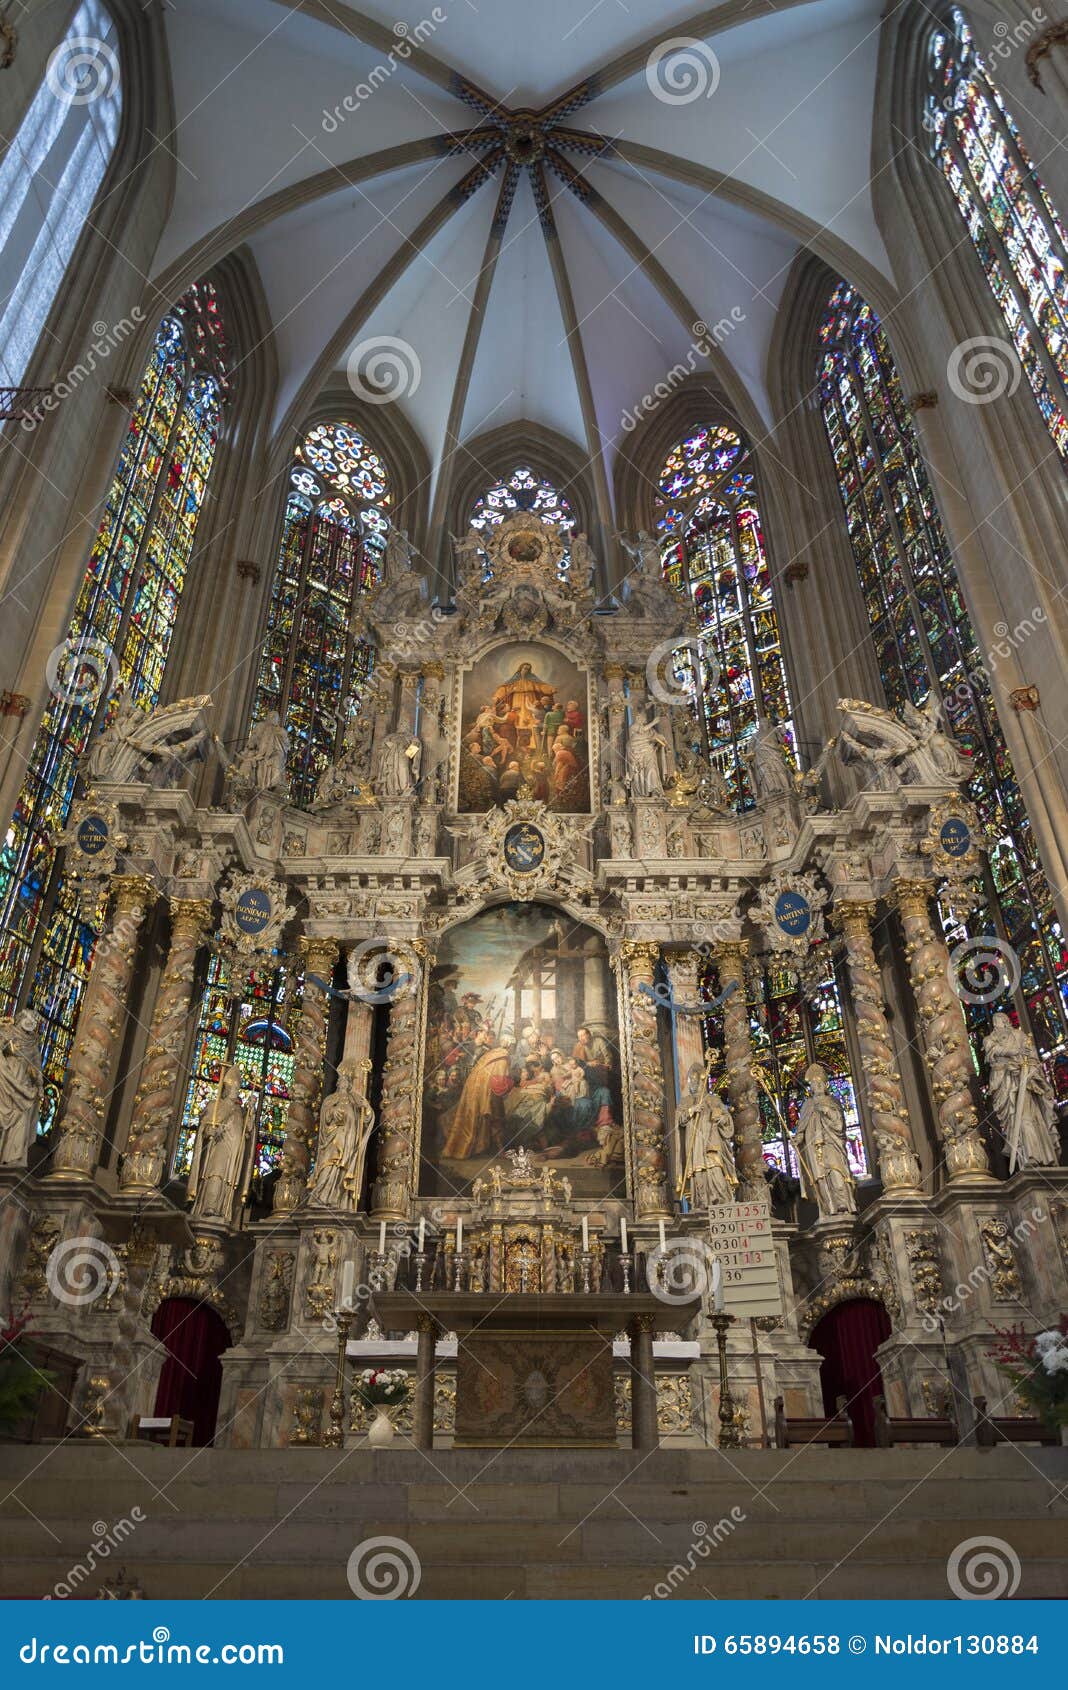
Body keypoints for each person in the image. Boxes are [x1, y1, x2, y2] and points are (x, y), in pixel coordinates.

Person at [983, 1012, 1061, 1170]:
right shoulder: (990, 1039)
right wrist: (1012, 1054)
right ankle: (1026, 1156)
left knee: (1030, 1118)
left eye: (1001, 1020)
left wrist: (1029, 1070)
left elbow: (1032, 1058)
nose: (998, 1024)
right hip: (1006, 1085)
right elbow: (992, 1052)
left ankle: (1042, 1156)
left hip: (1025, 1083)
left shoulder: (1019, 1035)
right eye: (995, 1022)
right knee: (1015, 1121)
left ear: (1007, 1021)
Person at [795, 1063, 856, 1218]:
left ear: (826, 1085)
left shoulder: (833, 1102)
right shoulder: (808, 1105)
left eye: (821, 1083)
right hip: (813, 1147)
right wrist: (799, 1138)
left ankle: (843, 1204)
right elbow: (802, 1127)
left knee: (836, 1172)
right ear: (811, 1088)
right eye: (815, 1084)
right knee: (821, 1177)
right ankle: (828, 1208)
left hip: (831, 1143)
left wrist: (827, 1110)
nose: (818, 1086)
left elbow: (839, 1124)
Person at [441, 1032, 516, 1159]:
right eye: (513, 1045)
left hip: (474, 1088)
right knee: (497, 1117)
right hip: (487, 1090)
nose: (514, 1047)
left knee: (478, 1117)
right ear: (509, 1045)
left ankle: (482, 1148)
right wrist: (512, 1083)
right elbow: (499, 1083)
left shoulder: (492, 1053)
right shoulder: (503, 1057)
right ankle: (499, 1150)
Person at [0, 1011, 42, 1168]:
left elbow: (38, 1070)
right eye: (28, 1018)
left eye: (34, 1020)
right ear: (20, 1019)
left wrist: (36, 1078)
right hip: (5, 1079)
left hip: (24, 1086)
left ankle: (12, 1159)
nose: (31, 1022)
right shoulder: (6, 1032)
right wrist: (6, 1051)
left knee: (21, 1119)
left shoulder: (33, 1044)